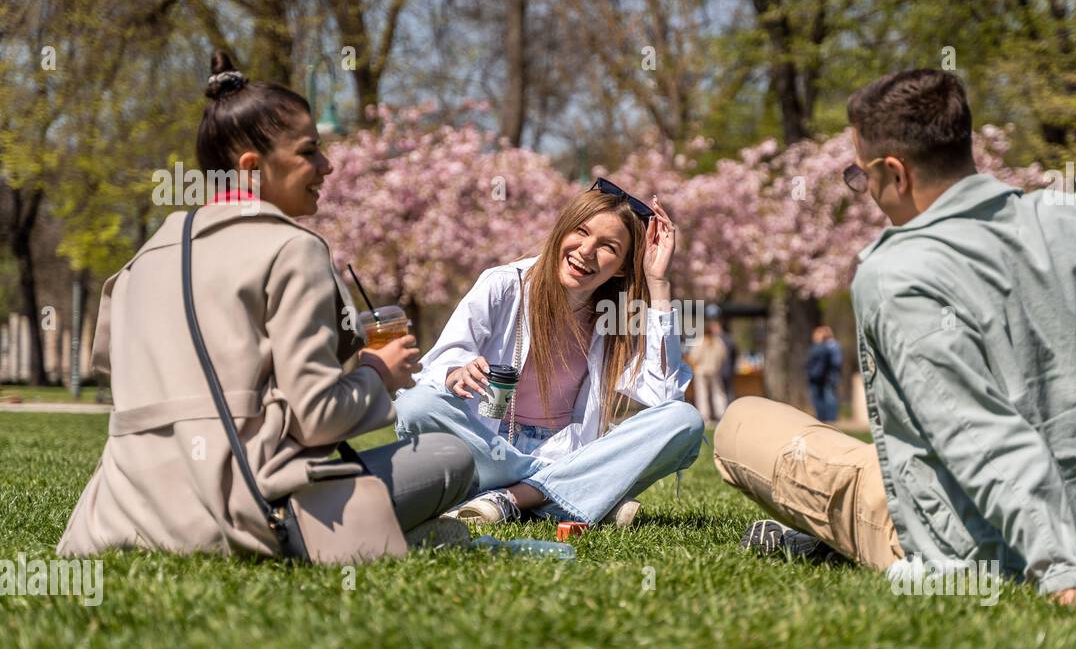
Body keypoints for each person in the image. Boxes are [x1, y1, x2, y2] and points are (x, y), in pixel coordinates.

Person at [714, 68, 1076, 606]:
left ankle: (834, 537)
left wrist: (1062, 575)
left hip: (972, 551)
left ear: (896, 173)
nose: (864, 190)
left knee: (741, 423)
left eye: (861, 176)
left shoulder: (899, 271)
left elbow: (982, 434)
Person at [59, 51, 476, 560]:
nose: (327, 165)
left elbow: (120, 374)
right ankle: (365, 540)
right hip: (242, 515)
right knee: (451, 454)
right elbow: (317, 418)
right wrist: (377, 374)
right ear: (252, 168)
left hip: (115, 517)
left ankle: (405, 538)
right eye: (309, 152)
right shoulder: (292, 249)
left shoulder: (141, 259)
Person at [392, 177, 704, 526]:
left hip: (563, 451)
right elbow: (439, 365)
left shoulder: (616, 317)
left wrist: (658, 284)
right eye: (581, 231)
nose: (586, 251)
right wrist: (456, 372)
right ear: (562, 229)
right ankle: (570, 495)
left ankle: (513, 497)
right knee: (414, 406)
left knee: (685, 421)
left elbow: (665, 397)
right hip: (487, 444)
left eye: (608, 247)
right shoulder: (504, 284)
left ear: (621, 267)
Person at [691, 319, 731, 424]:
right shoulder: (718, 342)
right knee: (718, 393)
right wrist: (717, 365)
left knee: (702, 394)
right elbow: (724, 356)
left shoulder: (700, 341)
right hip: (714, 370)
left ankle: (705, 416)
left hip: (701, 371)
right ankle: (721, 414)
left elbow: (694, 357)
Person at [805, 325, 843, 423]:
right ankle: (823, 418)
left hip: (828, 377)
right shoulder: (823, 346)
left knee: (829, 397)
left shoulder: (830, 346)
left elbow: (836, 362)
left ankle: (830, 419)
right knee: (820, 398)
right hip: (819, 376)